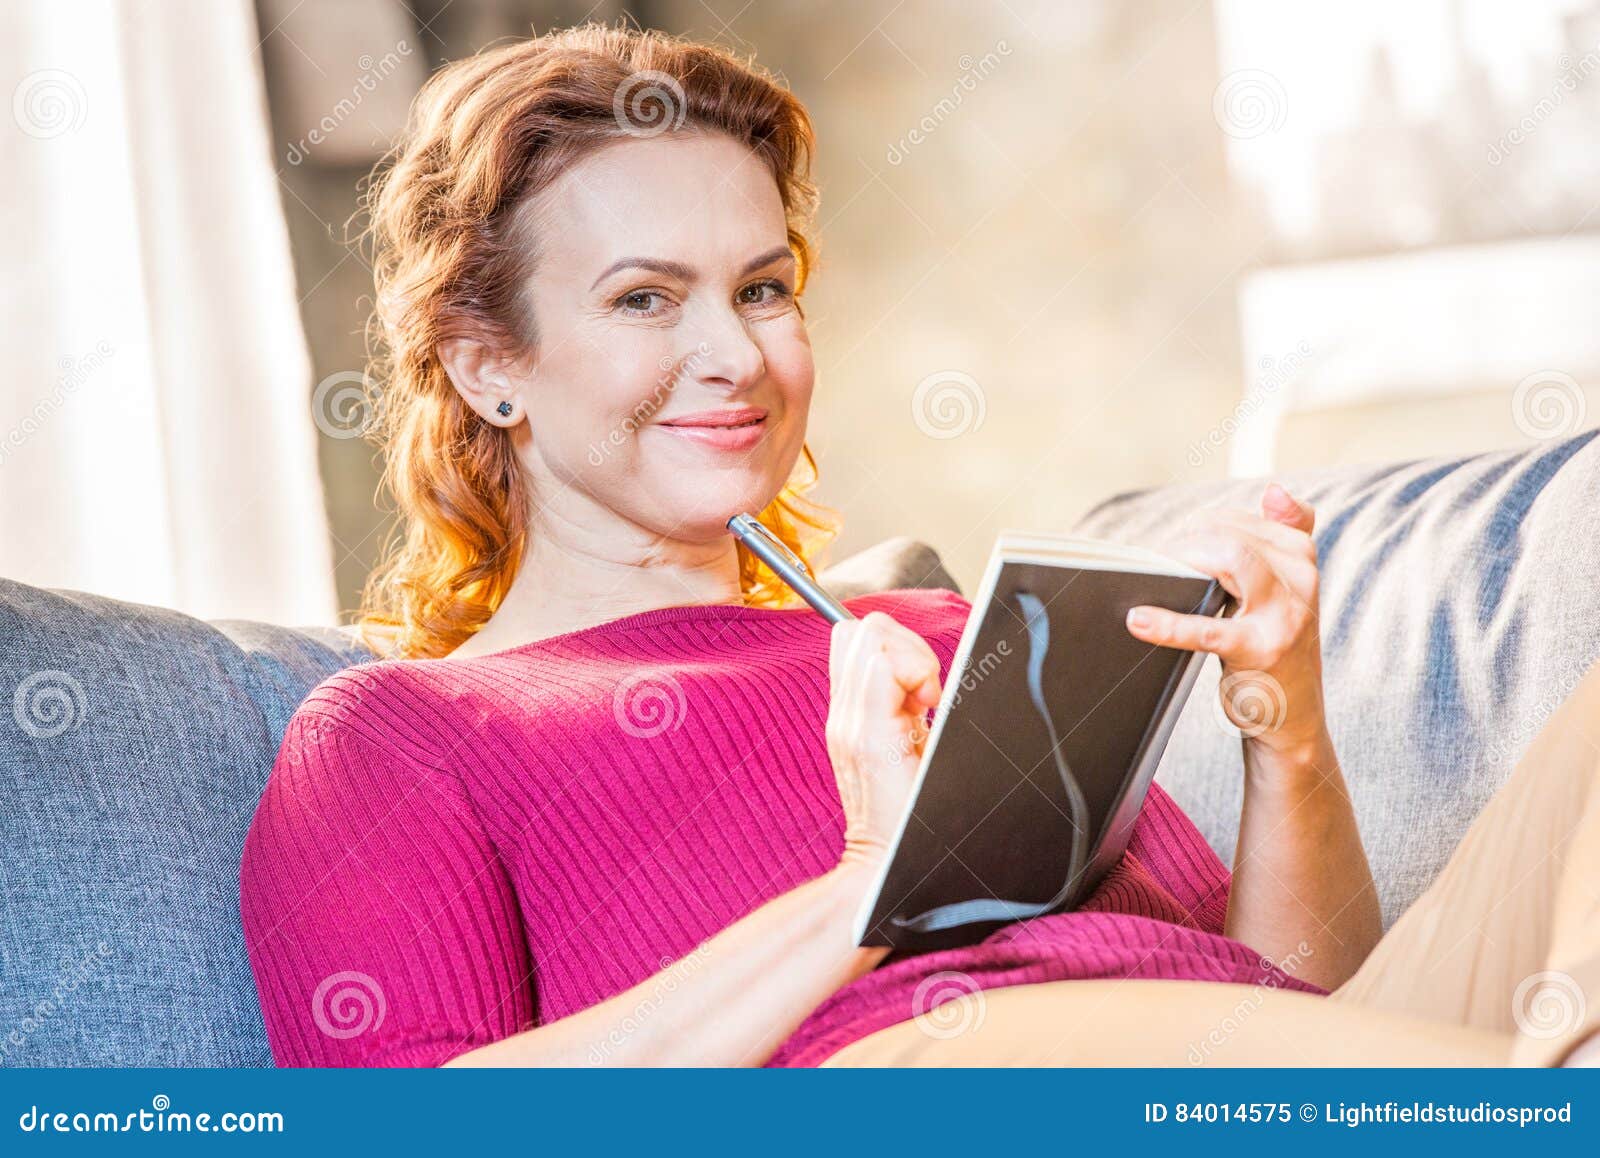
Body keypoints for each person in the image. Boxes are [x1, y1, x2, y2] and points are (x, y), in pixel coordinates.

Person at [239, 25, 1598, 1068]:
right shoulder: (397, 734)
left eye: (763, 288)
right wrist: (866, 888)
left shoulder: (953, 640)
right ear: (488, 369)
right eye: (645, 297)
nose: (736, 355)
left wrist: (1280, 722)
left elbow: (1296, 1006)